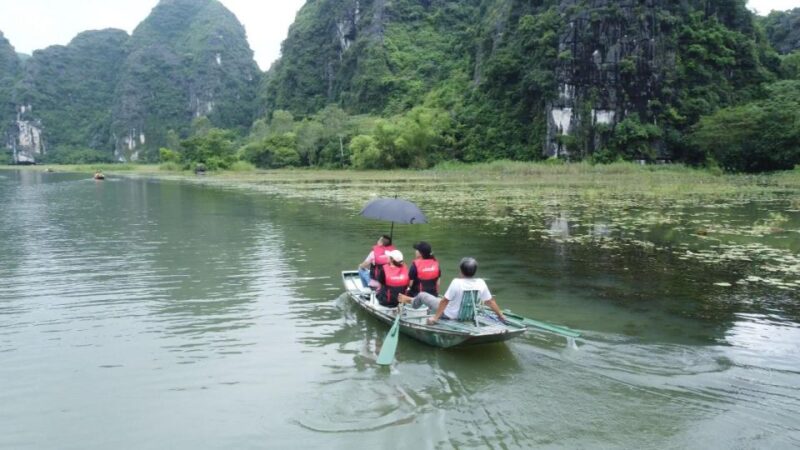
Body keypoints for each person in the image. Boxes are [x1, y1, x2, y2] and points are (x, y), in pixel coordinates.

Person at [399, 257, 507, 325]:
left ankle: (410, 301)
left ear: (461, 271)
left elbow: (444, 302)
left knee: (422, 295)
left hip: (449, 315)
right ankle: (412, 299)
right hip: (468, 315)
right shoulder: (481, 282)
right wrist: (500, 315)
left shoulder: (456, 282)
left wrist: (435, 318)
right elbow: (490, 301)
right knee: (439, 299)